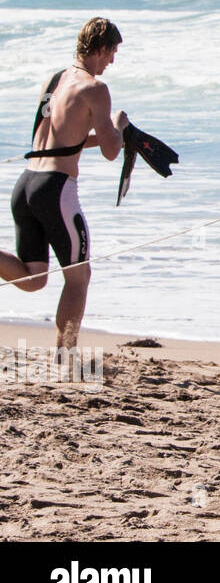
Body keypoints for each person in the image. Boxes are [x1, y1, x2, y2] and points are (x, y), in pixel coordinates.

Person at [1, 18, 127, 352]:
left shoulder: (54, 79)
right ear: (100, 49)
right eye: (112, 52)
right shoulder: (95, 89)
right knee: (78, 276)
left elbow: (62, 140)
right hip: (56, 190)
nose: (112, 61)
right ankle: (66, 356)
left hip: (26, 184)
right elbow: (112, 151)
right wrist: (118, 127)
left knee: (33, 278)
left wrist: (105, 134)